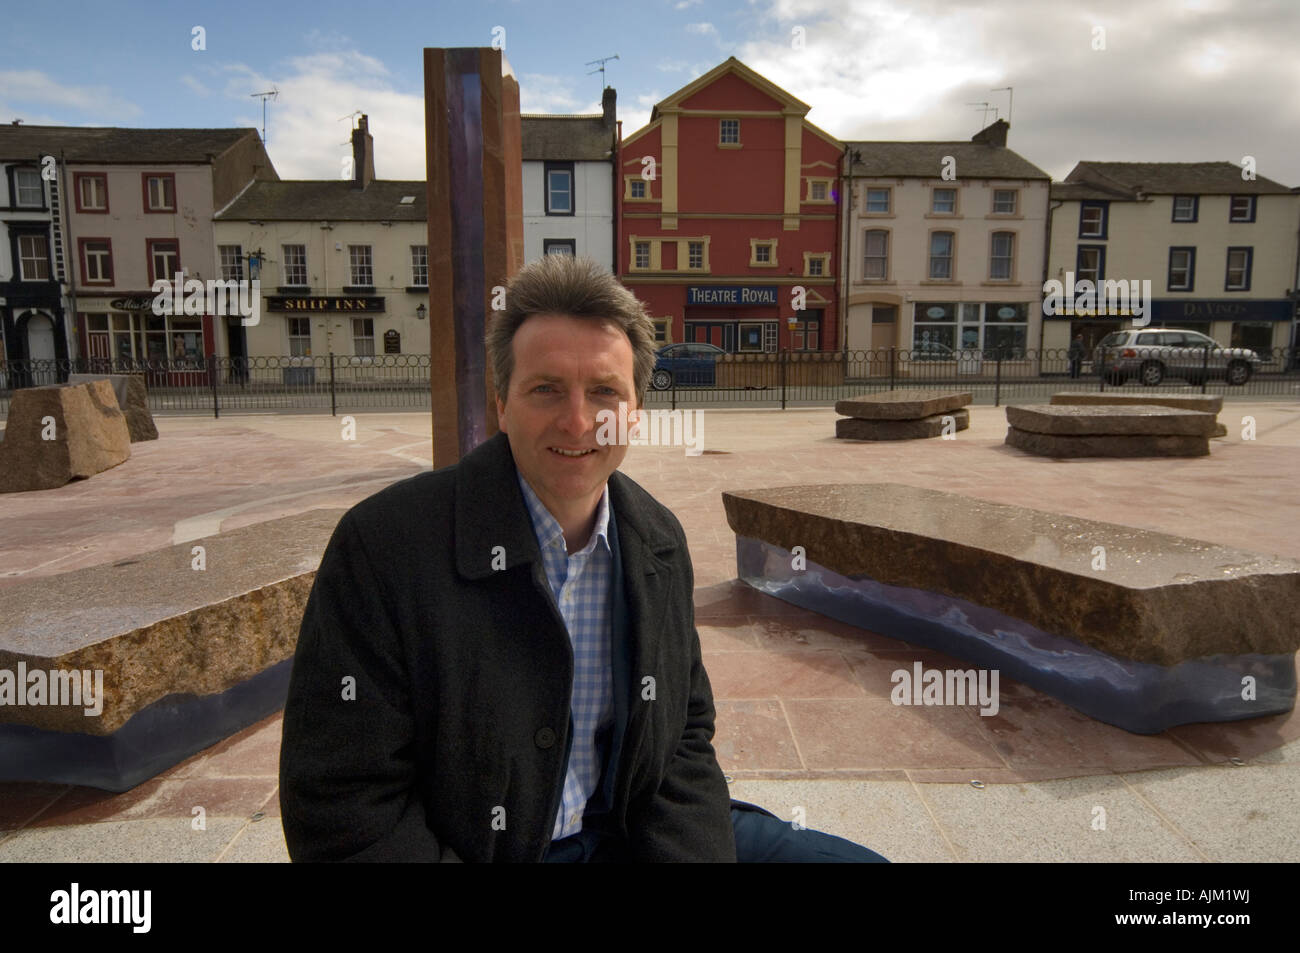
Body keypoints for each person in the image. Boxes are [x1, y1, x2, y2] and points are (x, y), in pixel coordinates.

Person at [279, 254, 886, 863]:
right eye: (546, 389)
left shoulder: (657, 542)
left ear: (636, 412)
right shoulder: (385, 547)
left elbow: (681, 739)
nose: (577, 422)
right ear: (502, 405)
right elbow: (343, 804)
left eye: (603, 392)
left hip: (636, 831)